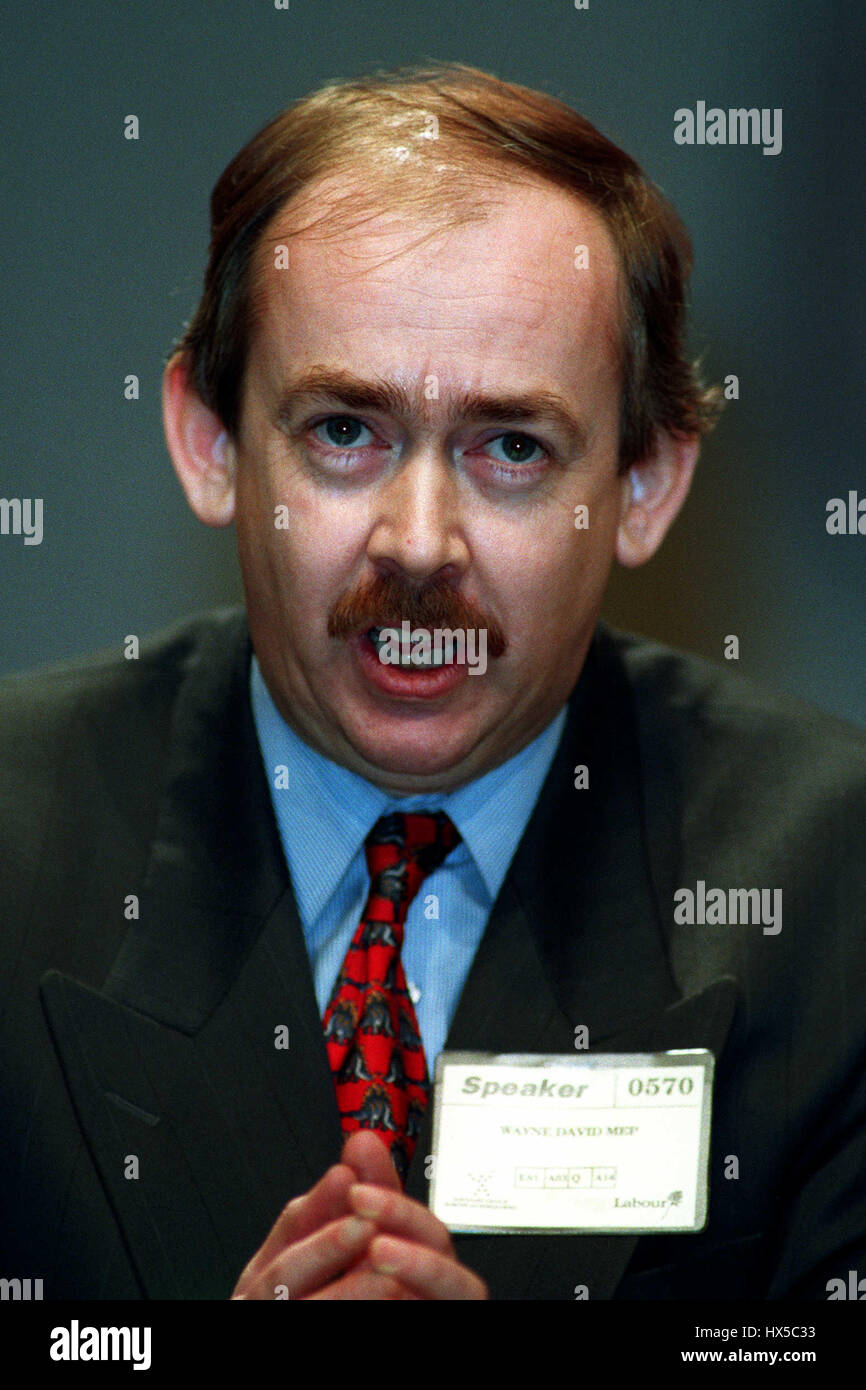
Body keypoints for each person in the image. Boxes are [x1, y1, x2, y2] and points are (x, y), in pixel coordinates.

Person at [2, 63, 865, 1303]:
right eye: (344, 431)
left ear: (641, 486)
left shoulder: (832, 888)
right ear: (210, 442)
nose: (417, 542)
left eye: (509, 448)